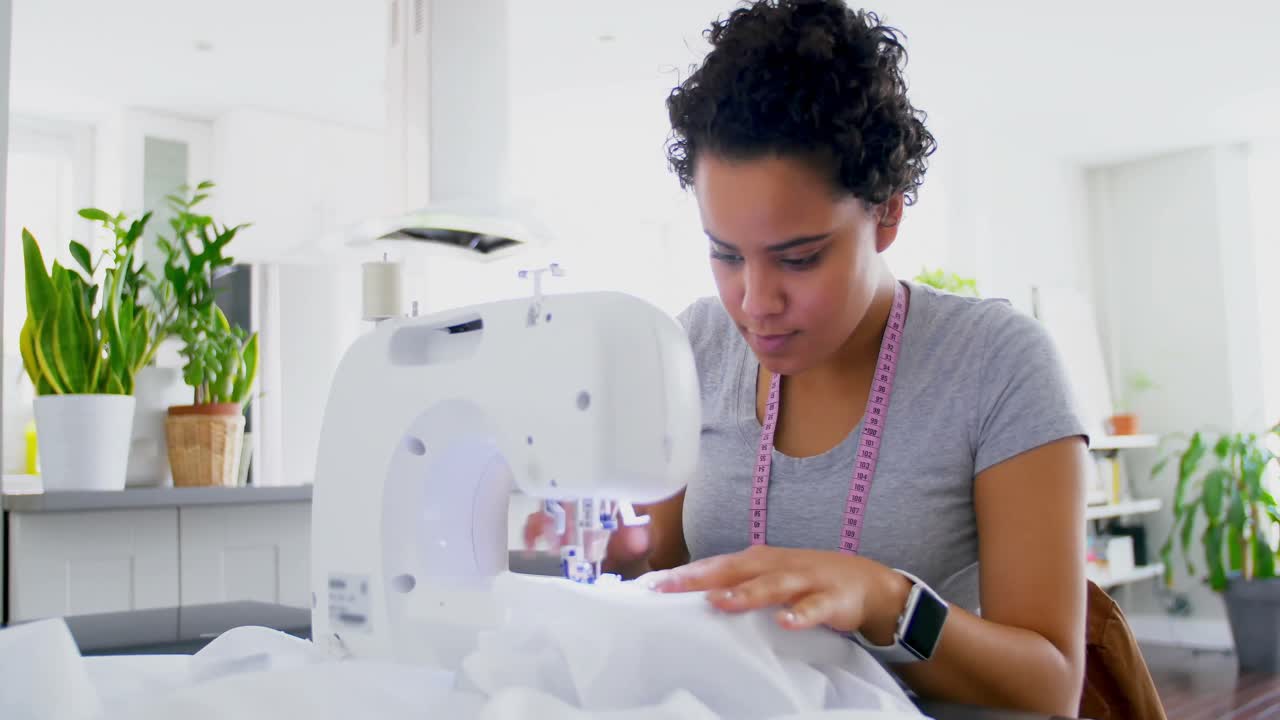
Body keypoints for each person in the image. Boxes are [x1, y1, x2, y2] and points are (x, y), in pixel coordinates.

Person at [526, 1, 1089, 715]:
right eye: (726, 254)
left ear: (886, 213)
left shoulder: (995, 364)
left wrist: (885, 600)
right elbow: (668, 571)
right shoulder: (695, 347)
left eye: (799, 258)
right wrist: (624, 556)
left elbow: (1051, 685)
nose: (755, 302)